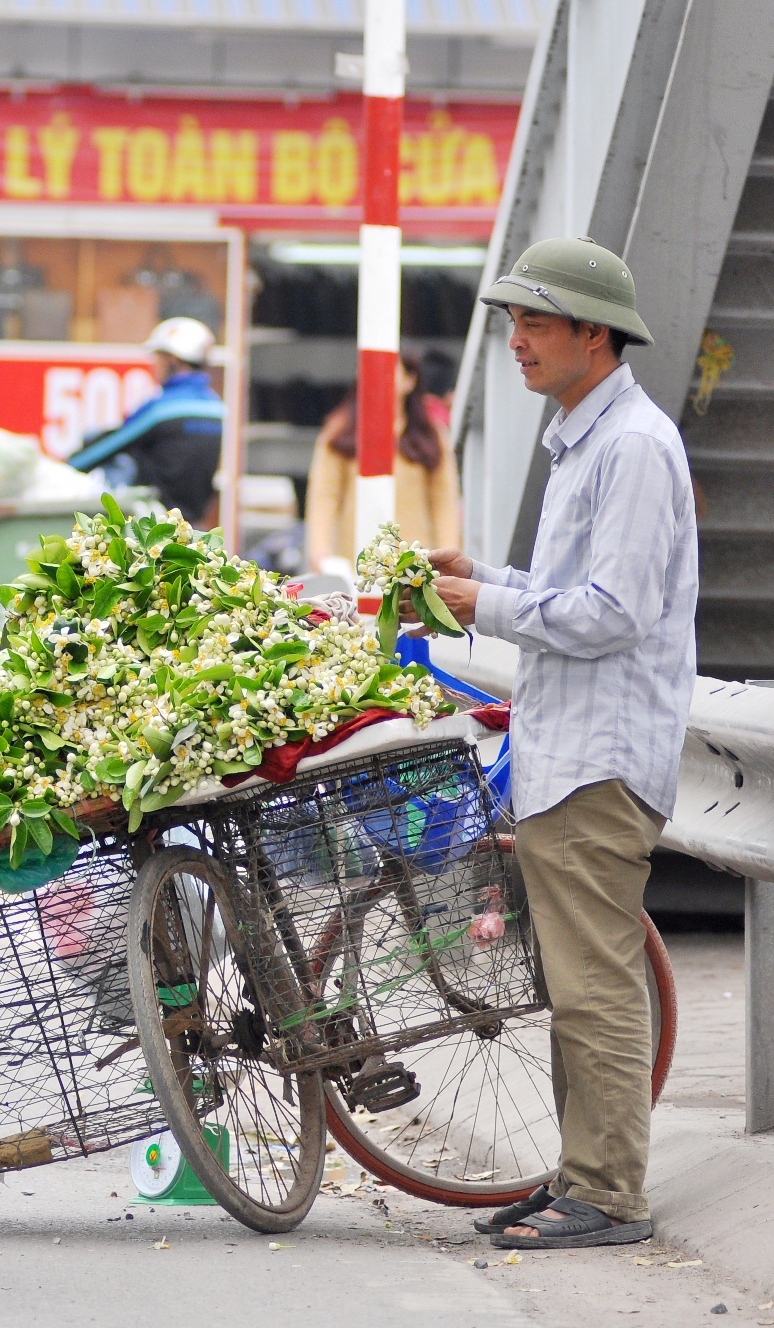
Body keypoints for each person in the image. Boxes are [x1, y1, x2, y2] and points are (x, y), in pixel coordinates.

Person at [408, 237, 696, 1251]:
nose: (516, 341)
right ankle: (580, 1175)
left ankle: (608, 1192)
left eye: (533, 322)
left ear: (591, 333)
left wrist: (479, 600)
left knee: (593, 984)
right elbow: (566, 591)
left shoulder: (630, 447)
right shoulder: (586, 436)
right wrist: (478, 574)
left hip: (598, 756)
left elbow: (610, 612)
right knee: (573, 984)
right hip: (564, 748)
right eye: (512, 322)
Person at [302, 350, 461, 578]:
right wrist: (320, 551)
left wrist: (447, 556)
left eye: (388, 370)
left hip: (416, 564)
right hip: (355, 562)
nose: (378, 378)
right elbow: (324, 495)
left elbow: (444, 501)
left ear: (410, 380)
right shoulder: (339, 432)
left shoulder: (431, 435)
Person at [67, 316, 225, 526]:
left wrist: (65, 467)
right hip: (193, 523)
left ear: (172, 360)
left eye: (157, 359)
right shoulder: (216, 408)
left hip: (153, 523)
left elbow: (107, 446)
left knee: (99, 441)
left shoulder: (162, 409)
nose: (154, 367)